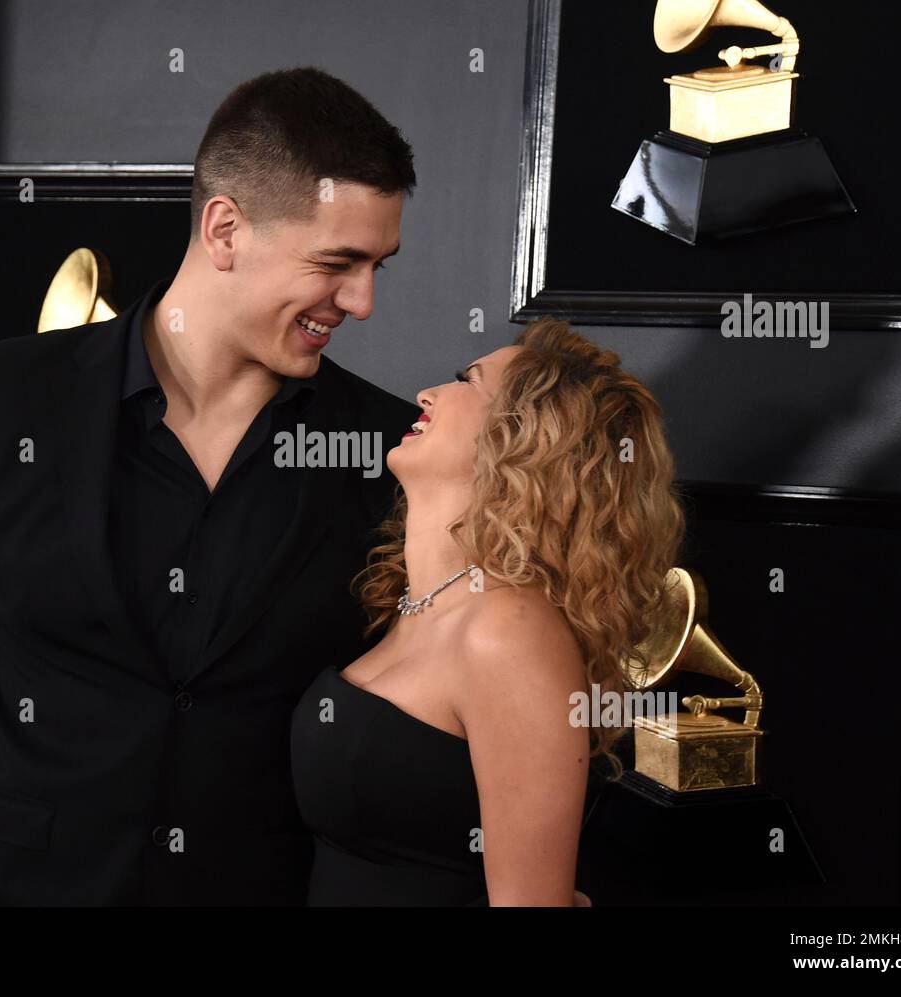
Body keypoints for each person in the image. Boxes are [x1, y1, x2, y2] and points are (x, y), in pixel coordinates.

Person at [0, 66, 419, 905]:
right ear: (225, 229)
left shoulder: (390, 449)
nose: (362, 301)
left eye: (378, 266)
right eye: (338, 262)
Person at [290, 318, 686, 905]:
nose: (428, 394)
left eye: (467, 381)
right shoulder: (417, 603)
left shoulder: (509, 631)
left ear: (525, 439)